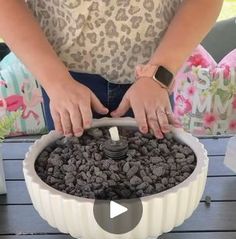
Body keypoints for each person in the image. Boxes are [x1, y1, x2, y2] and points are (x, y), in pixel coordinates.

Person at [0, 0, 223, 138]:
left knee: (153, 197)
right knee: (74, 198)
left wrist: (158, 75)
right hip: (65, 81)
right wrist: (57, 82)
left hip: (150, 79)